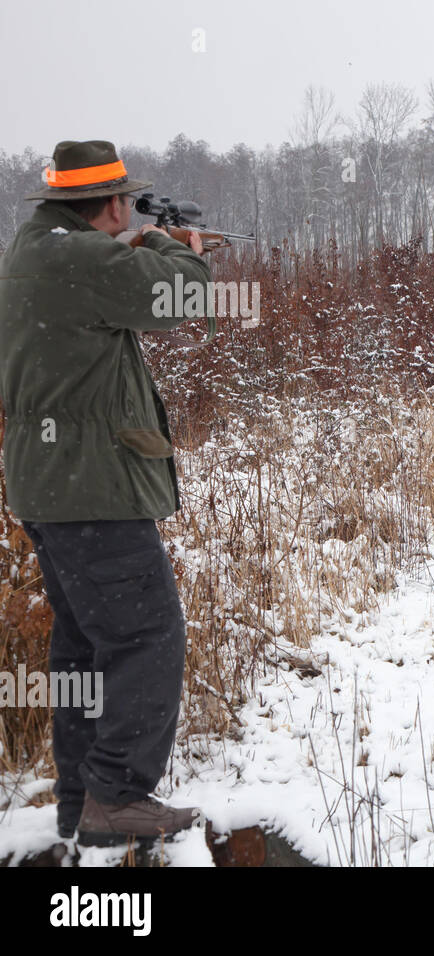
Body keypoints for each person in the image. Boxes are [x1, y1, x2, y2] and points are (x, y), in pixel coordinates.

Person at [0, 140, 212, 847]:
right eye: (127, 202)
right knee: (149, 635)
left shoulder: (33, 251)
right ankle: (117, 794)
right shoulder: (77, 258)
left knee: (84, 649)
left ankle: (79, 802)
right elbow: (183, 296)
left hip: (50, 484)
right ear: (113, 205)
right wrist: (172, 245)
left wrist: (151, 241)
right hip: (91, 488)